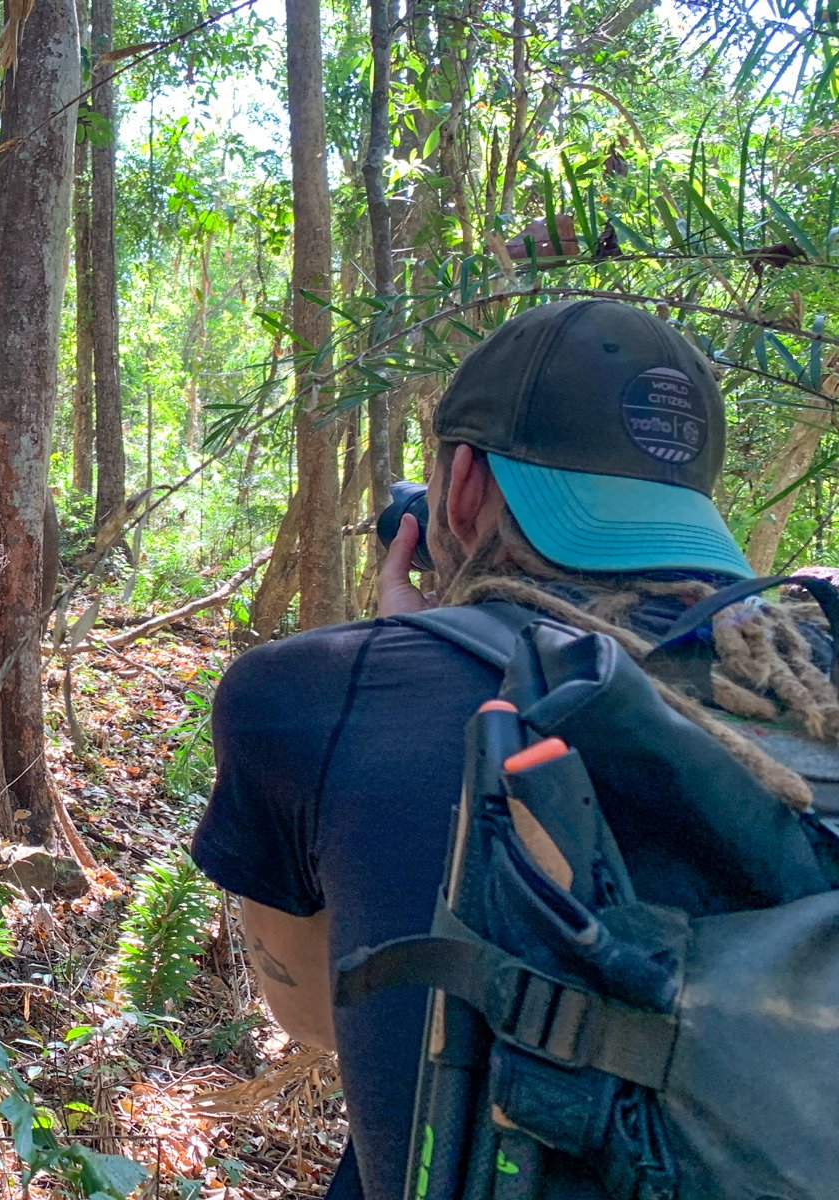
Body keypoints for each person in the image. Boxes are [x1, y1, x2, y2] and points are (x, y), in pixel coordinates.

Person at [190, 299, 838, 1199]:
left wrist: (402, 654)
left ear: (461, 486)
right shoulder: (809, 678)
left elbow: (314, 1011)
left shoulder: (307, 693)